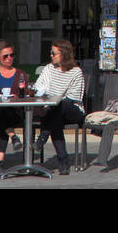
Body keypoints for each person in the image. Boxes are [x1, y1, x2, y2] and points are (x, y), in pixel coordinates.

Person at [33, 39, 86, 175]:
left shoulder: (76, 72)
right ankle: (63, 162)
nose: (51, 56)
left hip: (73, 109)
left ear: (64, 54)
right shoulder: (49, 69)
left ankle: (43, 137)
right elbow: (38, 87)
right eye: (51, 53)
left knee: (58, 105)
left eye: (54, 53)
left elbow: (74, 98)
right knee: (54, 118)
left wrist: (52, 101)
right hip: (53, 110)